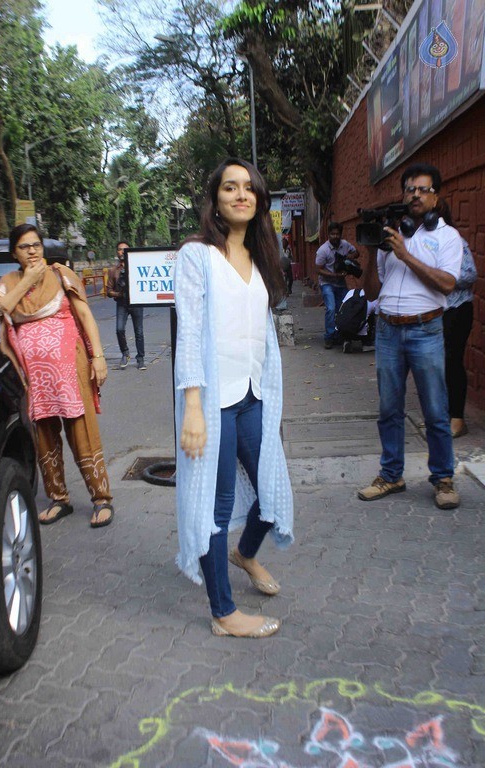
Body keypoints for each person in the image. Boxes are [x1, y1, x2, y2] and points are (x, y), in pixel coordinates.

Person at [174, 157, 294, 638]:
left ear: (259, 199)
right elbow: (189, 336)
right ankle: (223, 612)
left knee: (271, 492)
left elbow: (261, 333)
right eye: (230, 187)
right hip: (213, 402)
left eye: (248, 187)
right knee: (217, 504)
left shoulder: (264, 256)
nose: (241, 194)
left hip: (252, 395)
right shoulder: (197, 255)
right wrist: (193, 408)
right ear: (216, 199)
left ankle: (244, 554)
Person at [0, 224, 114, 528]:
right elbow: (1, 312)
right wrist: (28, 281)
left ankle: (101, 499)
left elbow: (85, 315)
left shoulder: (60, 275)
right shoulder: (8, 283)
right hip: (34, 377)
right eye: (24, 246)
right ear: (14, 253)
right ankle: (59, 499)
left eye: (36, 245)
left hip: (70, 370)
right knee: (44, 435)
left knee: (81, 430)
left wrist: (98, 357)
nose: (33, 251)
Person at [358, 162, 463, 510]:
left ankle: (443, 478)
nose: (415, 195)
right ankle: (391, 475)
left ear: (436, 196)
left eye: (423, 189)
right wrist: (374, 251)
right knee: (389, 408)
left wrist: (406, 253)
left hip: (425, 329)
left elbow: (448, 283)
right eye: (410, 189)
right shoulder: (393, 236)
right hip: (388, 329)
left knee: (435, 408)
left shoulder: (447, 237)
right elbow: (372, 293)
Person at [437, 199, 477, 439]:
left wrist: (441, 275)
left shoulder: (455, 242)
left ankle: (458, 419)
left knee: (452, 361)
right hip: (435, 311)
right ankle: (443, 415)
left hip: (457, 309)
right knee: (435, 365)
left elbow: (470, 273)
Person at [315, 222, 359, 349]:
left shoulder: (345, 245)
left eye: (337, 234)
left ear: (341, 234)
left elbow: (356, 253)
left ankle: (342, 334)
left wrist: (347, 259)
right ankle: (329, 337)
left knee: (345, 308)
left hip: (341, 283)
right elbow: (318, 269)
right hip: (327, 283)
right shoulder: (323, 250)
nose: (335, 236)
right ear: (328, 235)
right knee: (331, 308)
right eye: (332, 234)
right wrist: (334, 275)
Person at [106, 241, 145, 370]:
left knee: (139, 332)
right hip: (122, 303)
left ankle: (140, 359)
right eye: (119, 250)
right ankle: (125, 353)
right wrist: (119, 293)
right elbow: (108, 291)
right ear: (117, 252)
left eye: (125, 250)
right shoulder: (113, 271)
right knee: (119, 329)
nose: (122, 252)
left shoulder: (137, 268)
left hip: (136, 302)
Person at [337, 287, 378, 354]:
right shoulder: (374, 299)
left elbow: (341, 308)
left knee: (348, 316)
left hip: (342, 328)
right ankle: (366, 343)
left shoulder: (351, 292)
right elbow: (377, 320)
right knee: (372, 316)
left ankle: (347, 340)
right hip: (360, 330)